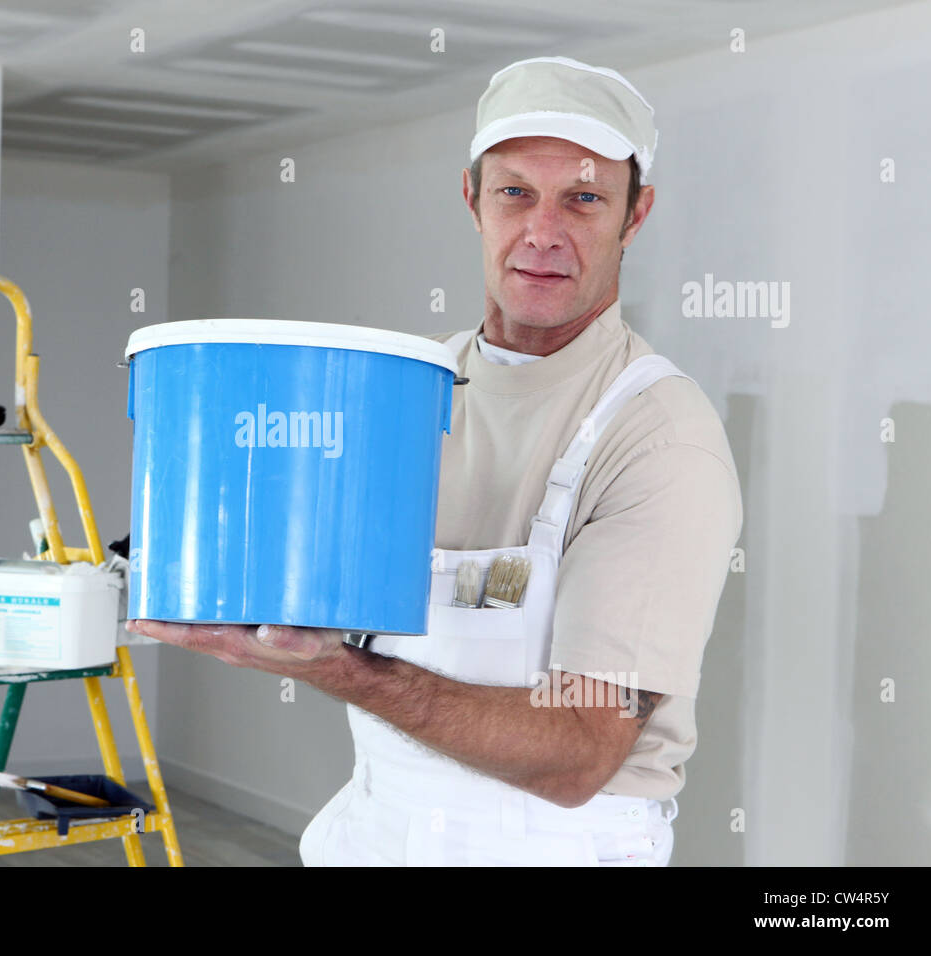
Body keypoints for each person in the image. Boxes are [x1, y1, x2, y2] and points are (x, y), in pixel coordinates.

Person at [126, 56, 742, 866]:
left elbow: (579, 750)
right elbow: (317, 591)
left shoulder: (657, 435)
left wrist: (338, 671)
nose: (543, 232)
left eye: (584, 198)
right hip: (379, 829)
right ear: (472, 200)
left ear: (636, 215)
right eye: (515, 192)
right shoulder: (402, 394)